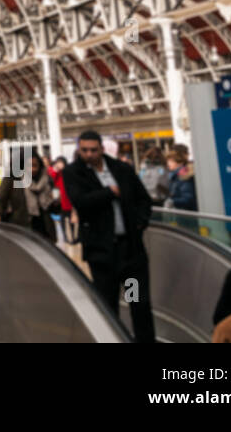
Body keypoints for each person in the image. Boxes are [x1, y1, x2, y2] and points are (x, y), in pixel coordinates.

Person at [62, 130, 156, 343]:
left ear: (102, 149)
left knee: (137, 302)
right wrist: (110, 192)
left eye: (93, 150)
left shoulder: (121, 169)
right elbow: (81, 201)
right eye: (84, 150)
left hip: (129, 253)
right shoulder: (74, 173)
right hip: (103, 255)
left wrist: (140, 223)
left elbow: (143, 199)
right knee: (108, 305)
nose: (89, 154)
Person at [0, 150, 54, 241]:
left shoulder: (45, 179)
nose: (32, 169)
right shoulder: (14, 179)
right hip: (22, 226)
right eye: (28, 166)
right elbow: (0, 200)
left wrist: (56, 203)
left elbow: (51, 206)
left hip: (44, 228)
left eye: (35, 165)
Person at [49, 156, 75, 243]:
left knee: (72, 220)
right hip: (60, 200)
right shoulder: (55, 172)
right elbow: (51, 177)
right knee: (62, 220)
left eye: (61, 163)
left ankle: (73, 236)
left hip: (69, 199)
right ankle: (65, 237)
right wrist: (56, 169)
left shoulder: (68, 171)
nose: (60, 165)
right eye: (58, 163)